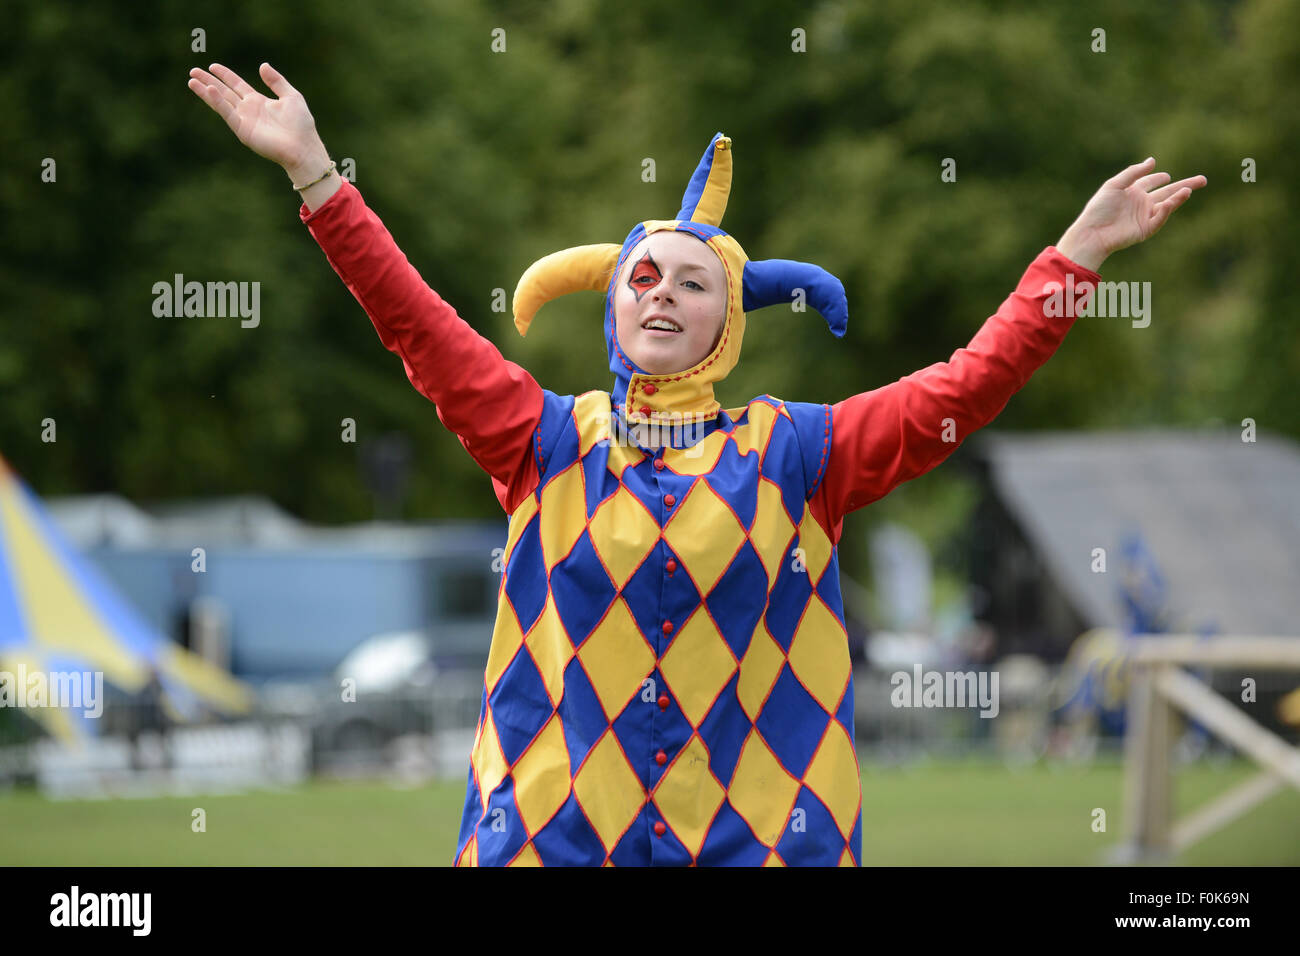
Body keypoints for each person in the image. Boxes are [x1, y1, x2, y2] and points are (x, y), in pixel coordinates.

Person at [188, 62, 1206, 866]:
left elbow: (963, 388)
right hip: (551, 841)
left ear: (729, 323)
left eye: (692, 282)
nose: (661, 293)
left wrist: (1070, 262)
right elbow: (413, 321)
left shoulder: (799, 453)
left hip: (763, 843)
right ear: (614, 309)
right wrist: (317, 177)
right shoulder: (540, 439)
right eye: (641, 277)